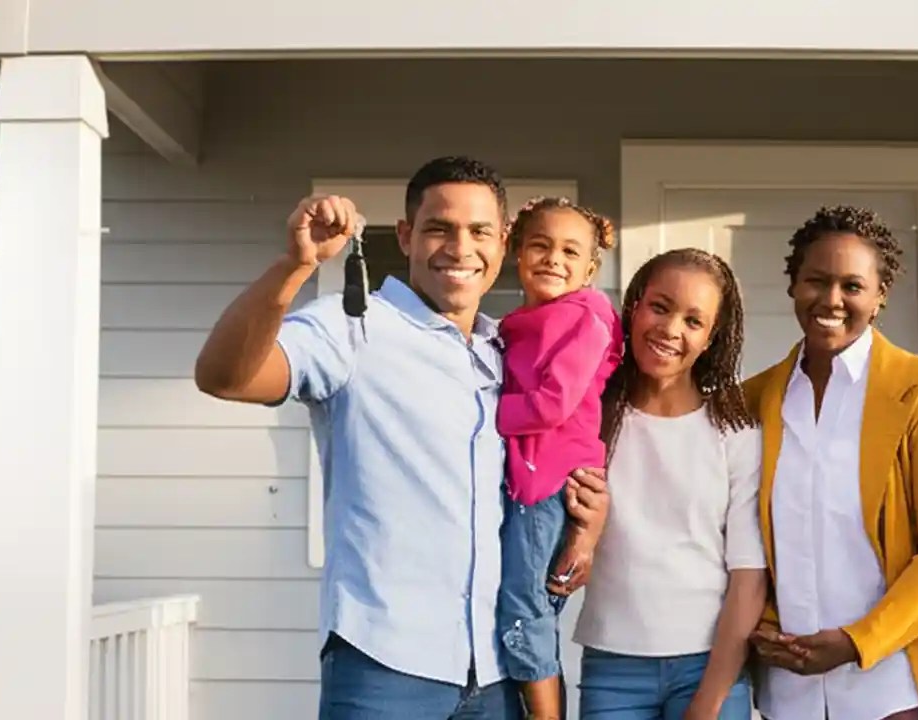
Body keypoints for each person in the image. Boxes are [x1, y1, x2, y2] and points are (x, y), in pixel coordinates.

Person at [192, 156, 610, 720]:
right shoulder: (351, 329)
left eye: (480, 231)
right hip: (385, 666)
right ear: (408, 235)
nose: (461, 248)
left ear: (503, 241)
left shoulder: (505, 352)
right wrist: (294, 267)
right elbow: (226, 377)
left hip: (495, 673)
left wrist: (588, 525)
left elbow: (541, 466)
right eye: (440, 228)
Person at [742, 205, 918, 720]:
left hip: (896, 686)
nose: (832, 299)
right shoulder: (755, 401)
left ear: (879, 297)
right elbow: (740, 536)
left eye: (852, 285)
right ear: (793, 285)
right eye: (816, 280)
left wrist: (856, 642)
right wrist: (761, 621)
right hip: (789, 695)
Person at [569, 248, 767, 720]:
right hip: (611, 667)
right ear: (635, 305)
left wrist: (711, 700)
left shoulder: (735, 434)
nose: (671, 330)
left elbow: (748, 576)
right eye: (660, 307)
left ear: (711, 337)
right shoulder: (590, 417)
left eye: (693, 321)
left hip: (709, 664)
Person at [494, 196, 623, 720]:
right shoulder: (521, 321)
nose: (554, 259)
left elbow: (552, 402)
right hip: (530, 474)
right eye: (540, 246)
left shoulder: (585, 314)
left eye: (571, 251)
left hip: (550, 481)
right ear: (516, 252)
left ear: (590, 269)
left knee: (523, 613)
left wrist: (476, 406)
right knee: (527, 610)